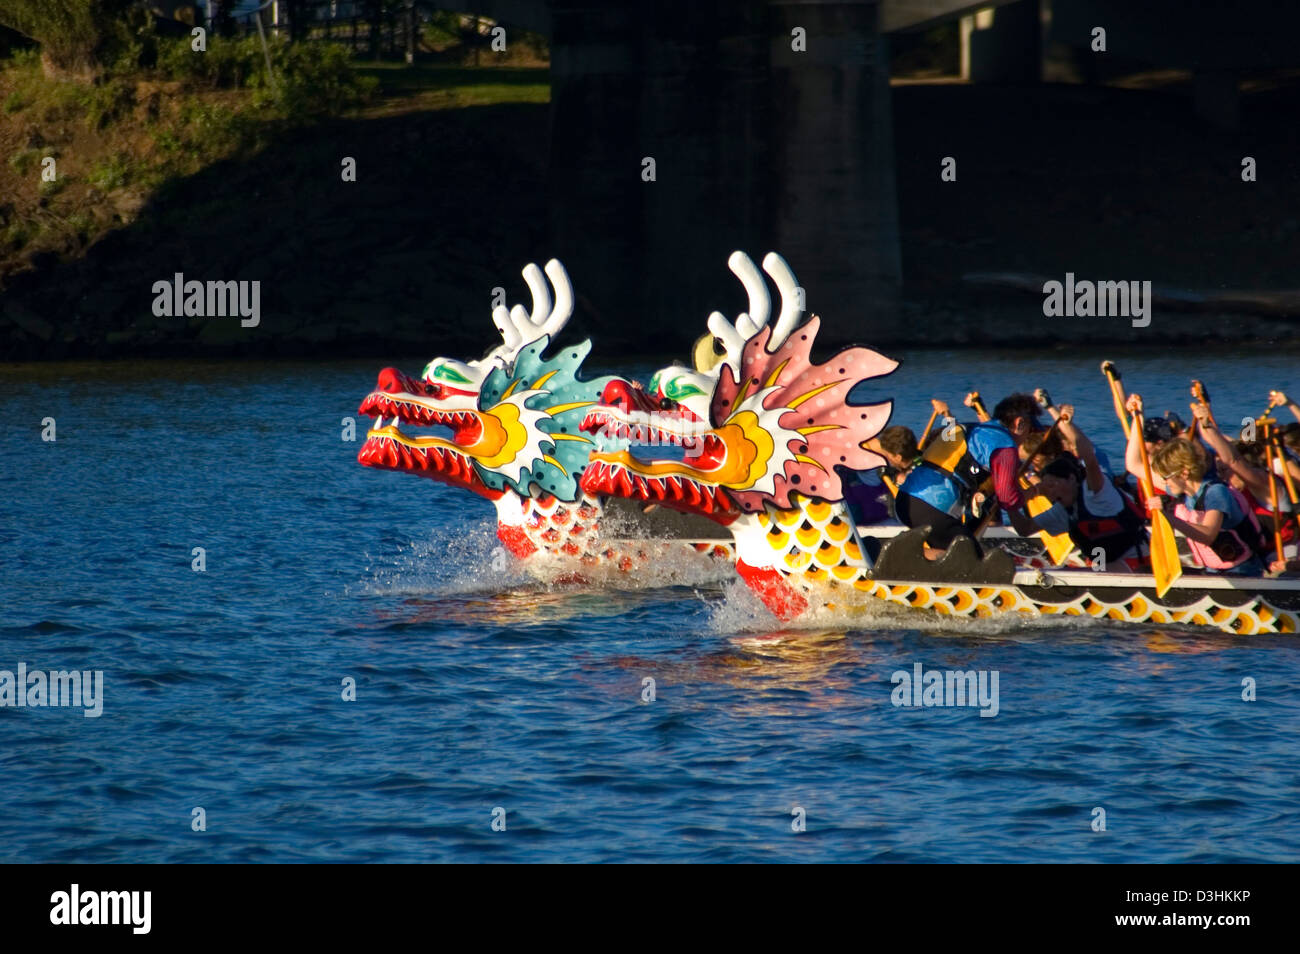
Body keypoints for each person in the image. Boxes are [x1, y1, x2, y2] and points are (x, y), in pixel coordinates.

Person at [895, 392, 1044, 558]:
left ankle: (906, 557)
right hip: (933, 510)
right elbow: (1007, 499)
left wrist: (947, 415)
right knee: (970, 559)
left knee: (957, 555)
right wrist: (1034, 492)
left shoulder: (967, 428)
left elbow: (945, 438)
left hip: (904, 500)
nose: (1028, 437)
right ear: (1019, 423)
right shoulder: (1005, 446)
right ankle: (900, 556)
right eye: (1030, 430)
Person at [1029, 406, 1144, 568]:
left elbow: (1089, 457)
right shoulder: (1064, 507)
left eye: (1053, 485)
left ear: (1071, 479)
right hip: (1104, 564)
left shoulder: (1095, 492)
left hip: (1135, 563)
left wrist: (1067, 423)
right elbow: (1024, 529)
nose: (1052, 493)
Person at [1148, 438, 1269, 576]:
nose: (1165, 483)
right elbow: (1135, 465)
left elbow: (1207, 535)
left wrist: (1168, 518)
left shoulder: (1216, 493)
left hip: (1242, 571)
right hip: (1213, 571)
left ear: (1184, 473)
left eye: (1166, 477)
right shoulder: (1185, 491)